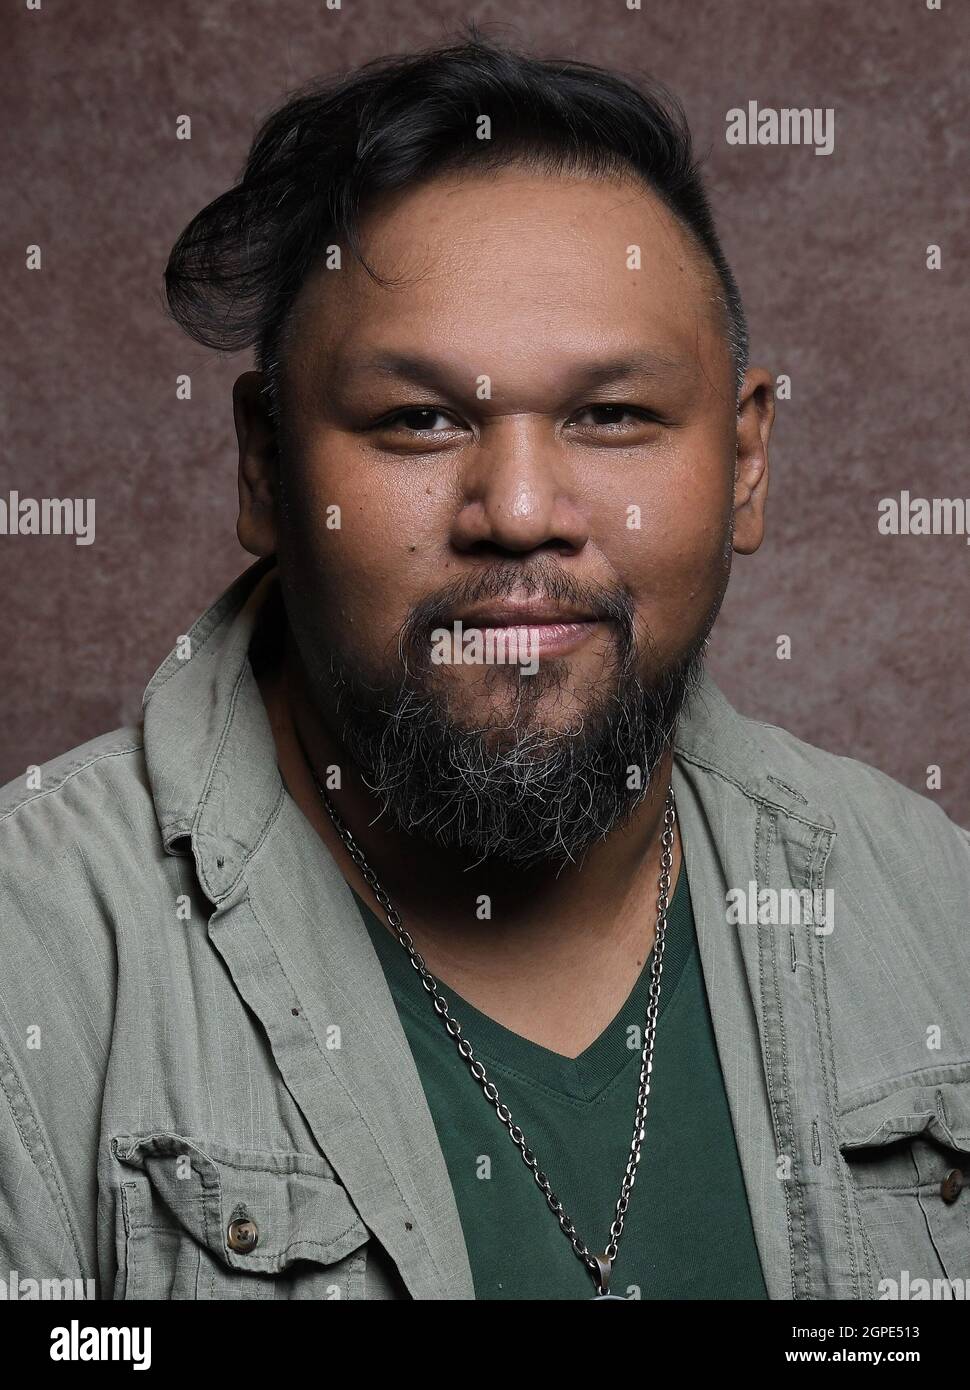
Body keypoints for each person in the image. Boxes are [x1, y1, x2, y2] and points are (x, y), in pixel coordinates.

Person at [1, 27, 968, 1303]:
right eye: (420, 418)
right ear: (263, 467)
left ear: (744, 464)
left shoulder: (933, 906)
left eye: (611, 415)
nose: (517, 508)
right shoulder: (40, 957)